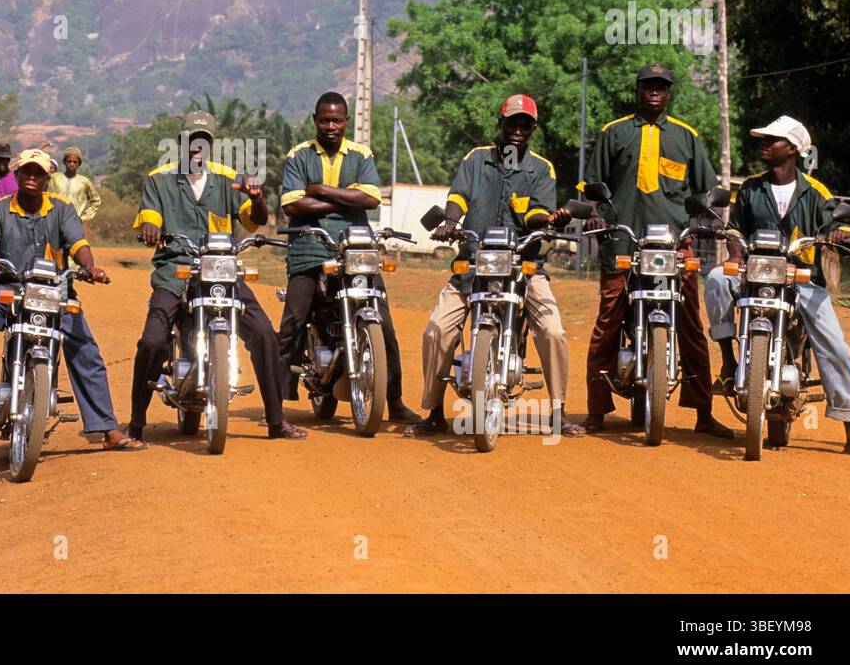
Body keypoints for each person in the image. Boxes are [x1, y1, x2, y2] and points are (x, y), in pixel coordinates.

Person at [407, 95, 586, 438]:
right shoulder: (476, 160)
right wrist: (449, 220)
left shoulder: (540, 168)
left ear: (533, 129)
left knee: (553, 331)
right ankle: (432, 411)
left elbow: (537, 210)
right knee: (437, 329)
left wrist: (549, 220)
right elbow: (458, 196)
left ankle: (558, 410)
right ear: (500, 124)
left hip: (524, 264)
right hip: (473, 262)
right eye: (512, 123)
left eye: (525, 125)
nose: (518, 130)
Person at [128, 111, 307, 442]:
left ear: (211, 145)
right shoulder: (160, 179)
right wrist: (152, 227)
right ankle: (136, 422)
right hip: (176, 269)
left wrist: (256, 200)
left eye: (204, 141)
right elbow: (150, 217)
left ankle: (275, 419)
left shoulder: (227, 178)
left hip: (221, 269)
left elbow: (254, 220)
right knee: (153, 340)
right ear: (181, 143)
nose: (197, 148)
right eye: (191, 141)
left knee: (265, 333)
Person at [582, 64, 732, 437]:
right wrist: (595, 216)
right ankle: (596, 412)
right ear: (638, 89)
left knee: (691, 325)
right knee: (609, 320)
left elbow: (708, 192)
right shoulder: (613, 132)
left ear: (669, 92)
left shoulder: (687, 137)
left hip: (674, 245)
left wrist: (712, 220)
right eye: (648, 85)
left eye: (661, 86)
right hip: (621, 241)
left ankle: (703, 413)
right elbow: (591, 189)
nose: (654, 91)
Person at [0, 149, 145, 451]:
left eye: (39, 173)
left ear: (48, 179)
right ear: (17, 175)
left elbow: (78, 242)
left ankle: (107, 428)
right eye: (27, 172)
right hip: (13, 289)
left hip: (55, 291)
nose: (32, 178)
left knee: (86, 349)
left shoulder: (62, 208)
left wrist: (90, 268)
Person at [702, 115, 850, 455]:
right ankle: (729, 360)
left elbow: (840, 225)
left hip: (801, 280)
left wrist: (839, 233)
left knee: (835, 346)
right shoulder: (750, 188)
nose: (764, 143)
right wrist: (734, 257)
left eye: (772, 140)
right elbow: (735, 230)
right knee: (716, 279)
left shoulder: (815, 192)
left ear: (792, 149)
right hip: (754, 274)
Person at [276, 91, 421, 423]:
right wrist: (347, 198)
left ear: (346, 121)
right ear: (315, 121)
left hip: (356, 247)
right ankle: (277, 402)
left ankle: (394, 401)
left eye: (337, 120)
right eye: (325, 120)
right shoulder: (298, 155)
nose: (331, 126)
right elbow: (291, 204)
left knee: (382, 320)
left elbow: (371, 199)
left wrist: (322, 191)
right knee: (294, 320)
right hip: (309, 246)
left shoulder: (361, 153)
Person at [50, 146, 103, 225]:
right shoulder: (54, 178)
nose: (72, 164)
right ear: (64, 162)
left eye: (75, 162)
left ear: (79, 164)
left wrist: (83, 218)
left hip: (73, 224)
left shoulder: (84, 182)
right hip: (53, 221)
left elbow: (96, 201)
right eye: (69, 161)